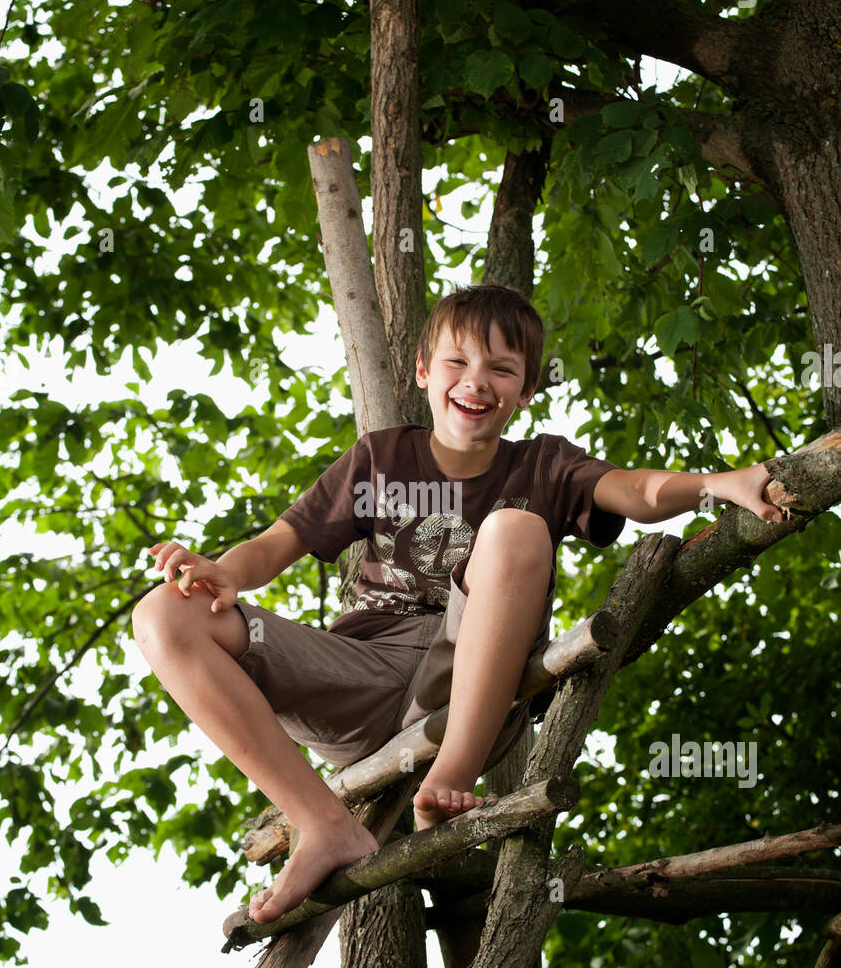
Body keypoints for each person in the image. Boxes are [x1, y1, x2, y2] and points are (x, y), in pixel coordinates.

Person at [131, 283, 784, 926]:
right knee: (163, 613)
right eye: (458, 361)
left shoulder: (545, 465)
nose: (476, 380)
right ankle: (320, 822)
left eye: (502, 369)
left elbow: (638, 490)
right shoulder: (380, 459)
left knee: (516, 526)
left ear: (526, 391)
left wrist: (720, 484)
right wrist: (221, 570)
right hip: (360, 673)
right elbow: (277, 545)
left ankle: (449, 775)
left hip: (467, 679)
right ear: (423, 371)